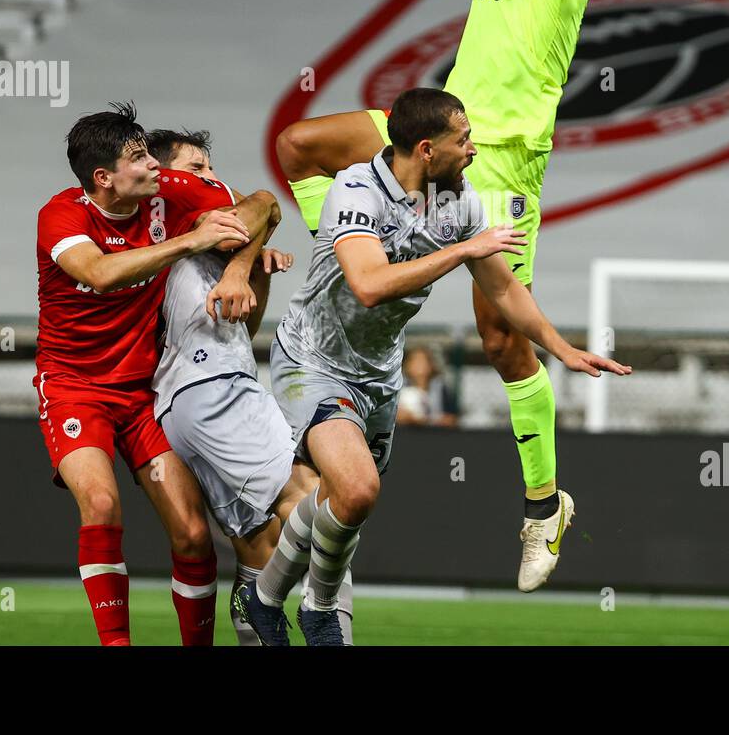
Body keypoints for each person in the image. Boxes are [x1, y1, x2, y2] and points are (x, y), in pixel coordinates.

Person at [276, 0, 595, 590]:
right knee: (299, 146)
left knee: (500, 341)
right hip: (438, 131)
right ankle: (348, 240)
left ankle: (543, 506)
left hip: (504, 162)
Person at [239, 88, 630, 646]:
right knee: (356, 489)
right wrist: (462, 252)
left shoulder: (461, 201)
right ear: (426, 149)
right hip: (313, 358)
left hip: (378, 371)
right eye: (463, 140)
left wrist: (560, 347)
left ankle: (266, 595)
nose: (474, 150)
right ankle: (321, 610)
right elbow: (370, 286)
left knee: (345, 504)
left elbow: (503, 288)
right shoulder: (356, 189)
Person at [33, 101, 275, 646]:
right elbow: (97, 273)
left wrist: (239, 264)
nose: (153, 167)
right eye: (139, 158)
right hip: (75, 388)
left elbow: (262, 204)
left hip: (143, 392)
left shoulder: (167, 188)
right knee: (100, 503)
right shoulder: (62, 214)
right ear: (104, 178)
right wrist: (191, 240)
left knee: (192, 533)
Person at [144, 127, 355, 645]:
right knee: (329, 497)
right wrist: (243, 263)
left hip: (186, 395)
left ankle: (257, 608)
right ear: (166, 175)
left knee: (260, 545)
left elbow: (241, 324)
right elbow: (265, 202)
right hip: (212, 384)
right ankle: (329, 628)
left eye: (210, 168)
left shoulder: (182, 242)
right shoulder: (178, 208)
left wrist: (251, 270)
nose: (211, 179)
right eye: (197, 168)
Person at [396, 346, 458, 427]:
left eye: (423, 361)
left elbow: (451, 418)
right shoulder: (399, 387)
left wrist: (425, 420)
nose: (419, 366)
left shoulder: (441, 388)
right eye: (415, 361)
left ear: (430, 365)